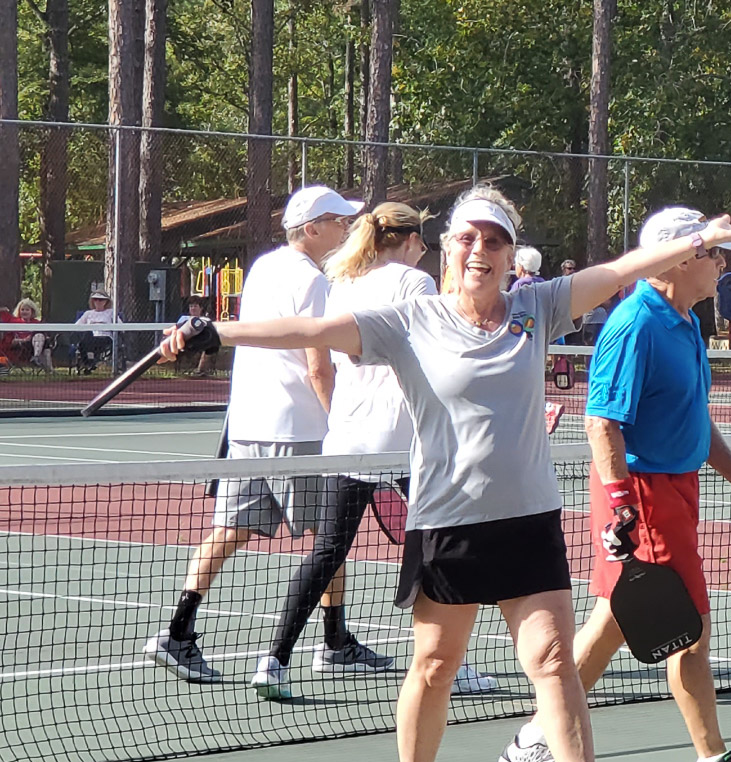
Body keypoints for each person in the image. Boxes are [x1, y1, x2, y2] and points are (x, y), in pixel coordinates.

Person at [160, 188, 731, 762]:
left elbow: (625, 270)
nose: (479, 250)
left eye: (495, 241)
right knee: (434, 664)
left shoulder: (536, 309)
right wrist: (217, 331)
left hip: (529, 520)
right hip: (448, 522)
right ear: (449, 248)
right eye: (467, 238)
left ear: (512, 256)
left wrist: (696, 239)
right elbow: (312, 333)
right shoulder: (409, 319)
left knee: (551, 662)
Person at [498, 206, 731, 762]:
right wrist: (622, 503)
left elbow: (692, 417)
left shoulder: (684, 321)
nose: (724, 265)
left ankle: (532, 740)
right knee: (687, 631)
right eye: (716, 254)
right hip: (642, 494)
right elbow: (602, 420)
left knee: (612, 624)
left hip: (676, 491)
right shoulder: (634, 324)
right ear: (680, 259)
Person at [250, 201, 500, 699]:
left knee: (328, 552)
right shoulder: (415, 284)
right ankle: (447, 665)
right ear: (407, 241)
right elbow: (443, 353)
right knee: (444, 551)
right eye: (423, 243)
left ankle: (273, 662)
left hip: (348, 438)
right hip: (406, 444)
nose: (425, 252)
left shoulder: (343, 283)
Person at [142, 184, 362, 682]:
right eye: (339, 221)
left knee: (229, 532)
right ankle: (333, 643)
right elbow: (318, 366)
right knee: (331, 539)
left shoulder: (263, 266)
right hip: (299, 429)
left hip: (247, 426)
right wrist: (341, 422)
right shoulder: (313, 282)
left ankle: (178, 631)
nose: (347, 229)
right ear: (312, 229)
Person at [73, 289, 118, 373]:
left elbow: (121, 326)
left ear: (106, 301)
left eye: (100, 300)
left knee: (87, 339)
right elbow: (77, 326)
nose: (98, 302)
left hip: (105, 339)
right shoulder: (88, 313)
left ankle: (91, 363)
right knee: (84, 340)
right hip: (89, 339)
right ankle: (89, 364)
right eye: (95, 299)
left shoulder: (111, 313)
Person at [177, 296, 217, 375]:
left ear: (201, 308)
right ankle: (185, 371)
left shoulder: (206, 320)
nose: (192, 308)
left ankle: (201, 371)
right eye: (191, 306)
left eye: (195, 306)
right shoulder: (183, 319)